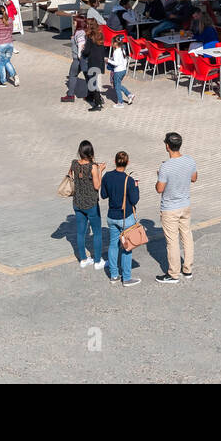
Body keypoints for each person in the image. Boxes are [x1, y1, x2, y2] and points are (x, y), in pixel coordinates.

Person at [155, 131, 197, 284]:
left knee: (172, 241)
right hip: (185, 204)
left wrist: (159, 177)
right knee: (187, 236)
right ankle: (188, 269)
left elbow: (159, 189)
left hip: (170, 208)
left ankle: (173, 274)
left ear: (167, 146)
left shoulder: (165, 167)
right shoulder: (189, 160)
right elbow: (194, 178)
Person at [100, 151, 141, 286]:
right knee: (127, 246)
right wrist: (136, 187)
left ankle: (114, 275)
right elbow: (134, 200)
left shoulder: (107, 176)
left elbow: (104, 195)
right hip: (125, 218)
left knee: (113, 245)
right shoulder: (129, 180)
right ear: (127, 163)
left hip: (111, 216)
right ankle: (127, 277)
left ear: (115, 161)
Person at [69, 141, 106, 270]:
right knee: (97, 233)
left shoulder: (74, 163)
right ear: (91, 152)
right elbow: (97, 186)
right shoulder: (93, 167)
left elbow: (70, 175)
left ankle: (83, 259)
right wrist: (100, 170)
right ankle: (97, 261)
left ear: (80, 152)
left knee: (80, 232)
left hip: (77, 202)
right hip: (91, 204)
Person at [0, 5, 19, 86]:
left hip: (1, 45)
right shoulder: (10, 20)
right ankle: (15, 76)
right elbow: (11, 31)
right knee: (7, 61)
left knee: (1, 63)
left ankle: (2, 81)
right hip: (10, 44)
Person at [61, 16, 88, 103]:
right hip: (82, 59)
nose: (73, 23)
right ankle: (93, 95)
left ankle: (70, 95)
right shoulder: (83, 31)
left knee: (72, 75)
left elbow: (81, 46)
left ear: (79, 23)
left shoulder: (80, 33)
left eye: (75, 21)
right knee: (88, 77)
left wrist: (80, 58)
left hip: (78, 59)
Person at [83, 20, 107, 111]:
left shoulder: (90, 37)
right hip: (100, 62)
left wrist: (83, 51)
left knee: (92, 84)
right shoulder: (100, 35)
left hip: (92, 62)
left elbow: (86, 51)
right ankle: (97, 99)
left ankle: (98, 104)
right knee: (95, 82)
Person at [108, 37, 135, 107]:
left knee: (117, 87)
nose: (111, 44)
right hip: (123, 70)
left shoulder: (116, 52)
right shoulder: (122, 49)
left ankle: (120, 103)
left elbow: (116, 63)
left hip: (118, 71)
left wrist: (108, 60)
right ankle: (129, 95)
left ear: (115, 43)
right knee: (118, 85)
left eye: (112, 42)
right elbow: (124, 60)